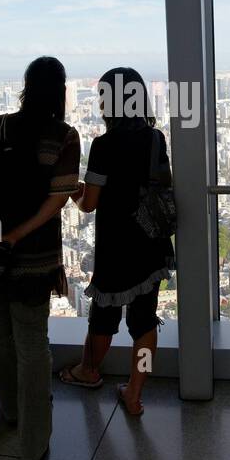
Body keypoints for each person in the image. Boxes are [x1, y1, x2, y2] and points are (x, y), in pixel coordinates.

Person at [0, 56, 79, 460]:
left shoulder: (0, 125)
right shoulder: (64, 136)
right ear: (60, 91)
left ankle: (10, 412)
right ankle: (32, 446)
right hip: (32, 259)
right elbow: (58, 199)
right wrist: (18, 236)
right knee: (31, 346)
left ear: (25, 87)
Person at [59, 67, 174, 416]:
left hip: (117, 248)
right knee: (144, 322)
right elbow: (162, 183)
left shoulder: (104, 145)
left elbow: (90, 202)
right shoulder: (156, 138)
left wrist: (75, 195)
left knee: (103, 319)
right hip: (151, 244)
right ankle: (134, 394)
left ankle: (88, 371)